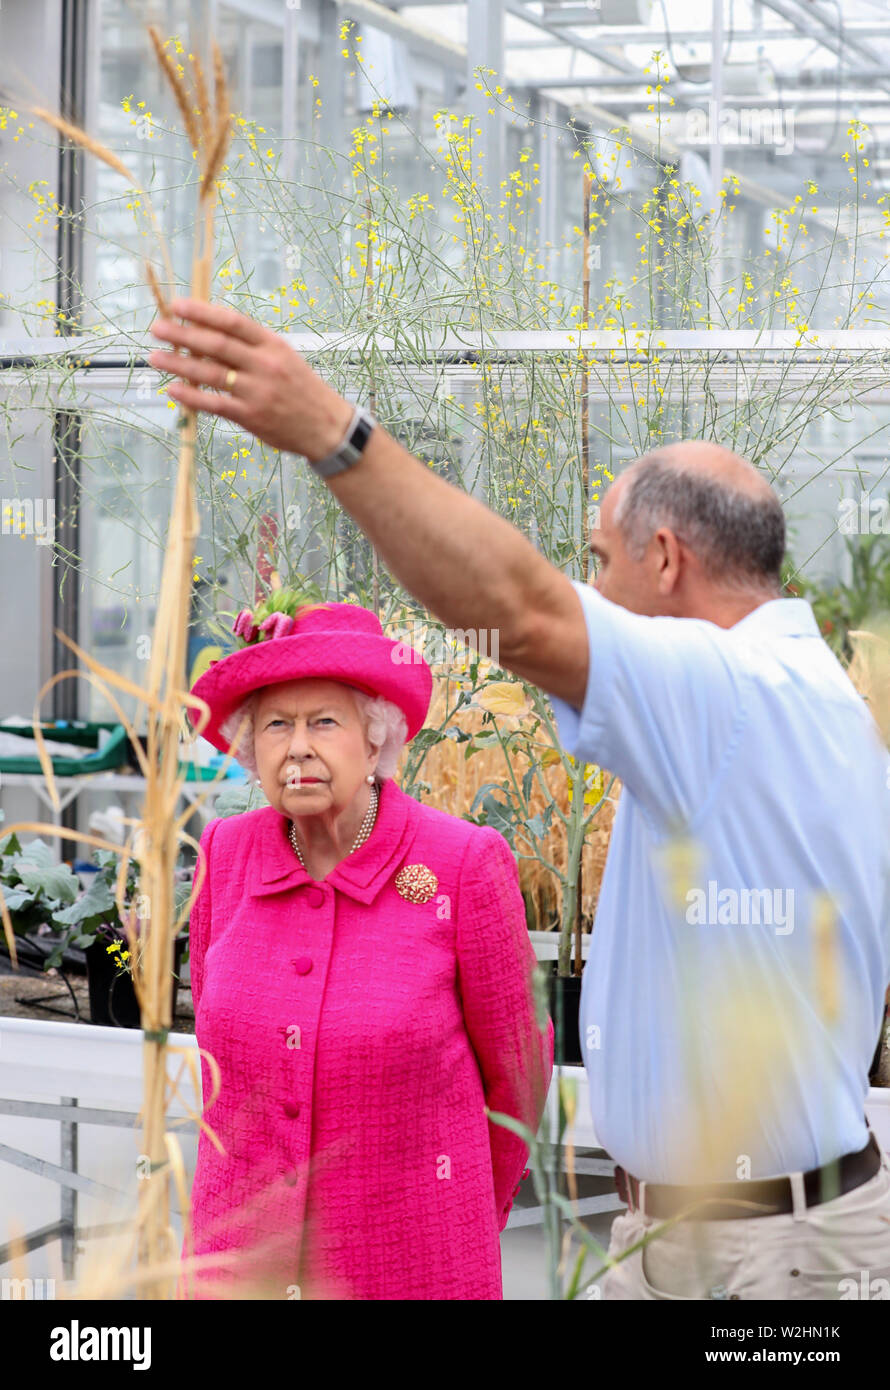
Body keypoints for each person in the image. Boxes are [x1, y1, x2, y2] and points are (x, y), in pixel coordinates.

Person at [151, 301, 890, 1301]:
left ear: (664, 558)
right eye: (275, 723)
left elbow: (516, 611)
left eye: (597, 557)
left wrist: (331, 430)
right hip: (749, 1232)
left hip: (752, 1258)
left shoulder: (723, 692)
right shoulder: (816, 702)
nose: (587, 583)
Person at [181, 595, 553, 1299]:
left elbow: (521, 1076)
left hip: (409, 1263)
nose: (297, 749)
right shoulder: (226, 854)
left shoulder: (462, 863)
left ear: (375, 736)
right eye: (275, 726)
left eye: (324, 722)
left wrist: (461, 1212)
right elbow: (215, 1051)